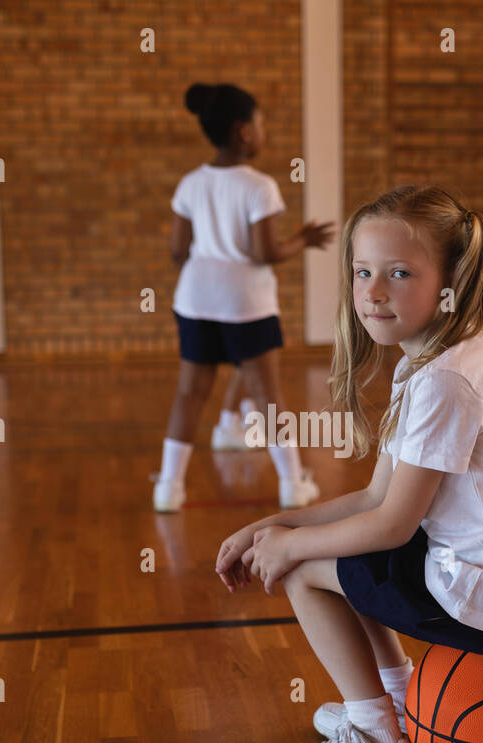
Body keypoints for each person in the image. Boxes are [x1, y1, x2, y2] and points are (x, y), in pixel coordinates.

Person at [215, 186, 483, 743]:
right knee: (326, 552)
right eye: (362, 272)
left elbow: (391, 526)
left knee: (306, 570)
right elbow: (374, 498)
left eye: (399, 273)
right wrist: (274, 523)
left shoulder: (449, 380)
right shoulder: (444, 360)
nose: (373, 291)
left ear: (450, 285)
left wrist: (291, 547)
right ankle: (393, 702)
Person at [156, 82, 334, 511]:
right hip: (245, 303)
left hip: (195, 300)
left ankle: (168, 488)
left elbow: (178, 251)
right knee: (268, 394)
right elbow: (265, 253)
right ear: (244, 131)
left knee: (189, 393)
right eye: (261, 122)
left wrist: (208, 265)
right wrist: (303, 240)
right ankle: (292, 484)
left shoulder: (189, 183)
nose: (264, 129)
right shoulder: (260, 186)